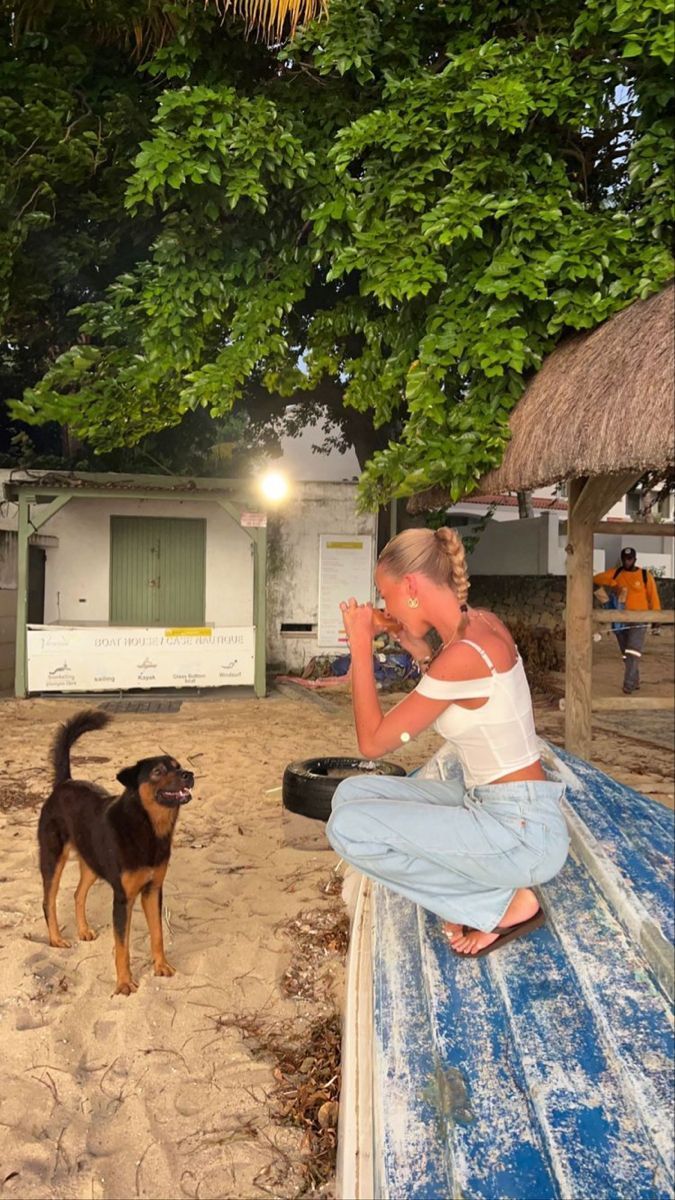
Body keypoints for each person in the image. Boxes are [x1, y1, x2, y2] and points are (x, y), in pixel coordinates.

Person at [326, 527, 569, 958]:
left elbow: (372, 744)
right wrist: (414, 642)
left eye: (388, 594)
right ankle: (479, 891)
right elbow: (455, 683)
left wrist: (360, 646)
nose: (386, 606)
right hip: (500, 805)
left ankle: (501, 905)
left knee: (347, 830)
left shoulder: (461, 656)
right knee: (351, 792)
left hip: (521, 835)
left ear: (412, 587)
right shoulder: (480, 624)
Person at [593, 547, 661, 694]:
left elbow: (653, 596)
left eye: (630, 559)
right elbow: (596, 578)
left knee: (633, 652)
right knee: (626, 654)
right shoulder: (617, 573)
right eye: (624, 559)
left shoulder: (644, 575)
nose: (627, 561)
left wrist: (656, 617)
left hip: (639, 620)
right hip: (620, 620)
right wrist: (613, 584)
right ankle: (635, 680)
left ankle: (628, 684)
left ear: (635, 559)